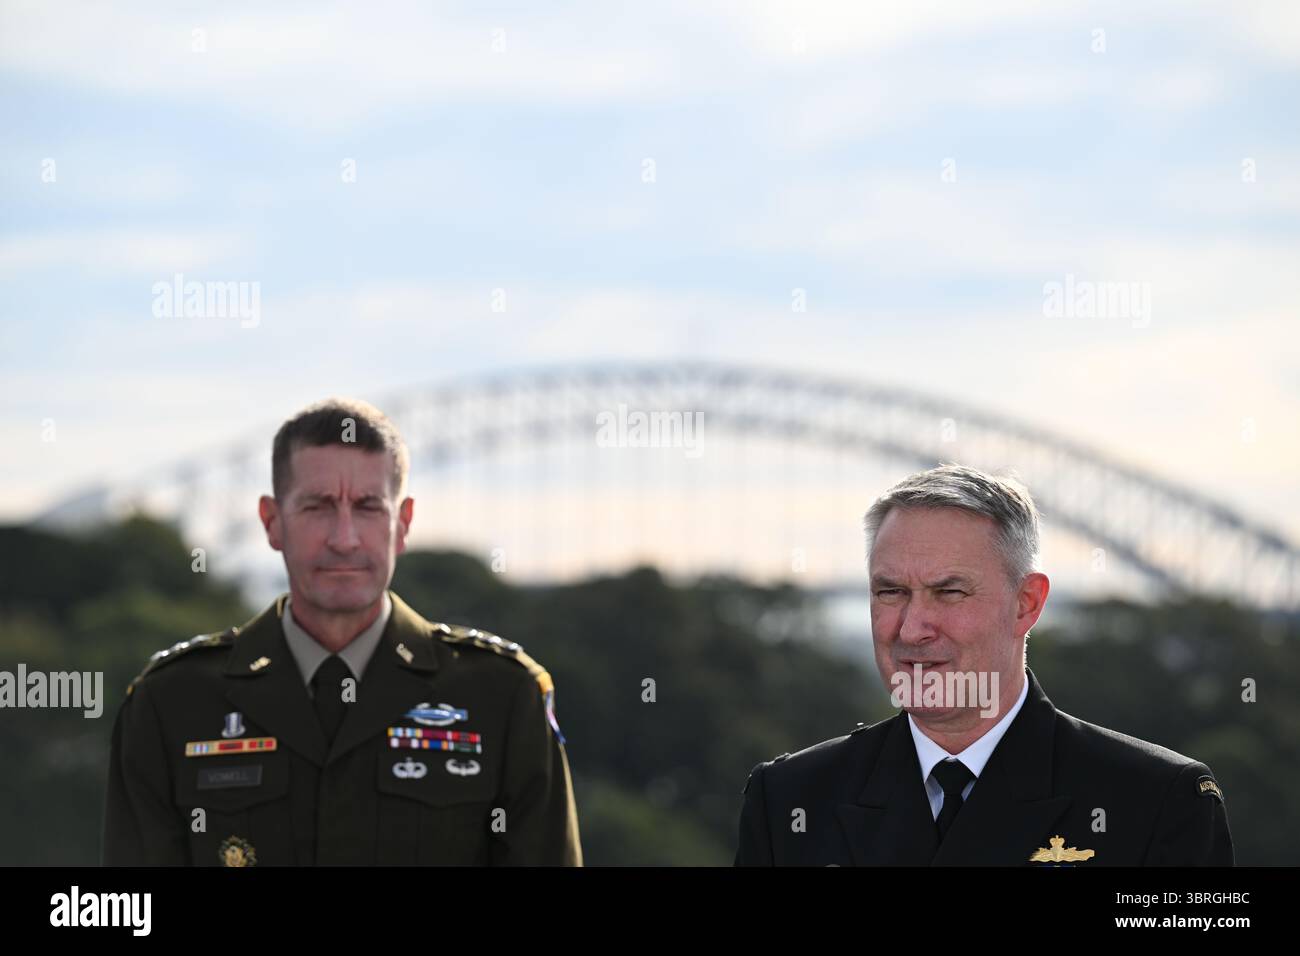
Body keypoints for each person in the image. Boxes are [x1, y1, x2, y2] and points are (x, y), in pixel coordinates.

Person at [102, 397, 582, 866]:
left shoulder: (501, 698)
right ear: (272, 523)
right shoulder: (171, 704)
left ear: (403, 523)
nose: (345, 538)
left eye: (369, 507)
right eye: (318, 506)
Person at [735, 463, 1233, 866]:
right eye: (891, 592)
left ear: (1027, 603)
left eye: (949, 592)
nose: (911, 629)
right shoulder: (788, 800)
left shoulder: (1158, 803)